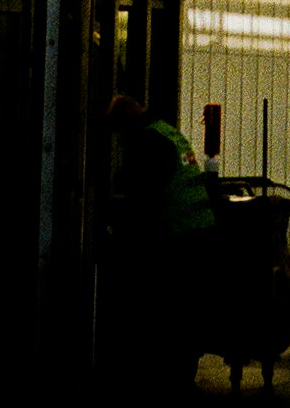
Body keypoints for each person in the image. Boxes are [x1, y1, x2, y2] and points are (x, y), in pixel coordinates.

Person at [105, 94, 217, 396]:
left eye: (117, 131)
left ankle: (171, 380)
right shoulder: (166, 131)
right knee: (186, 312)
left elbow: (143, 196)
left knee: (170, 311)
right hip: (199, 235)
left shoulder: (148, 142)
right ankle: (181, 374)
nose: (118, 140)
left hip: (180, 239)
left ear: (126, 123)